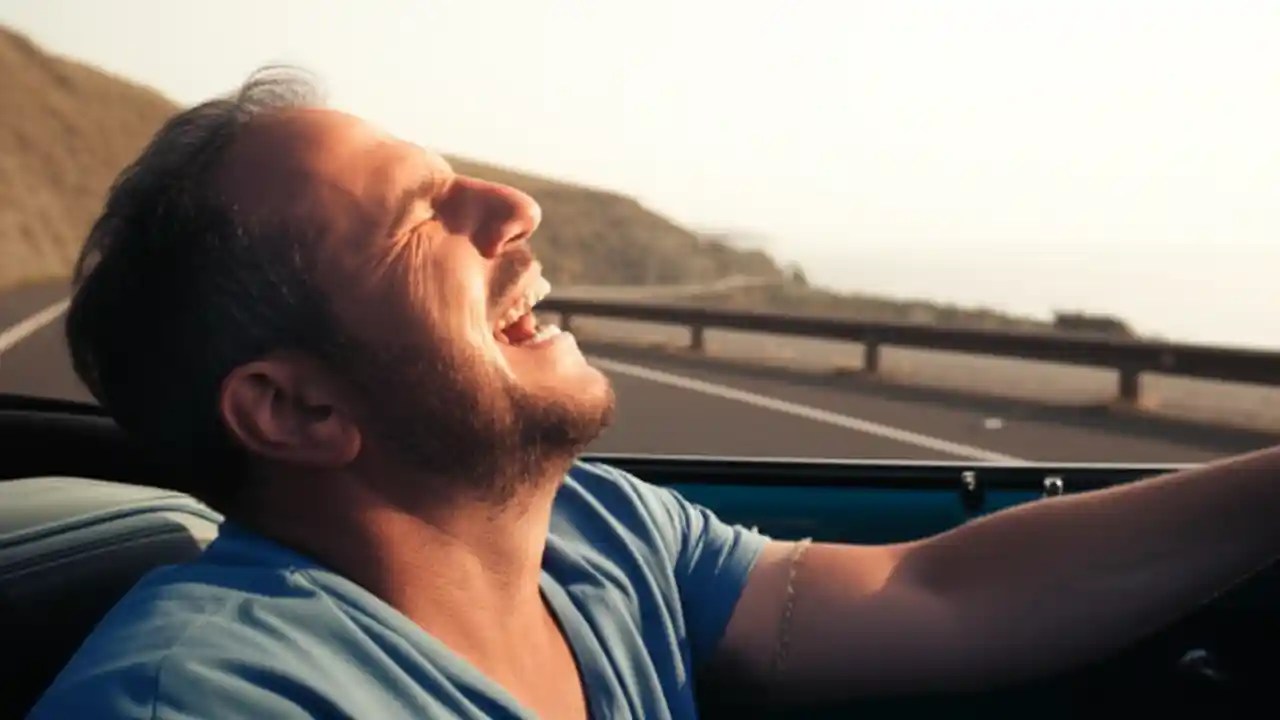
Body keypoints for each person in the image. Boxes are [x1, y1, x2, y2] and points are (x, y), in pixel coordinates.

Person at [28, 68, 1280, 719]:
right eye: (420, 221)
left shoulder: (602, 539)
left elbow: (932, 592)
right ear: (297, 411)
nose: (512, 208)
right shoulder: (209, 699)